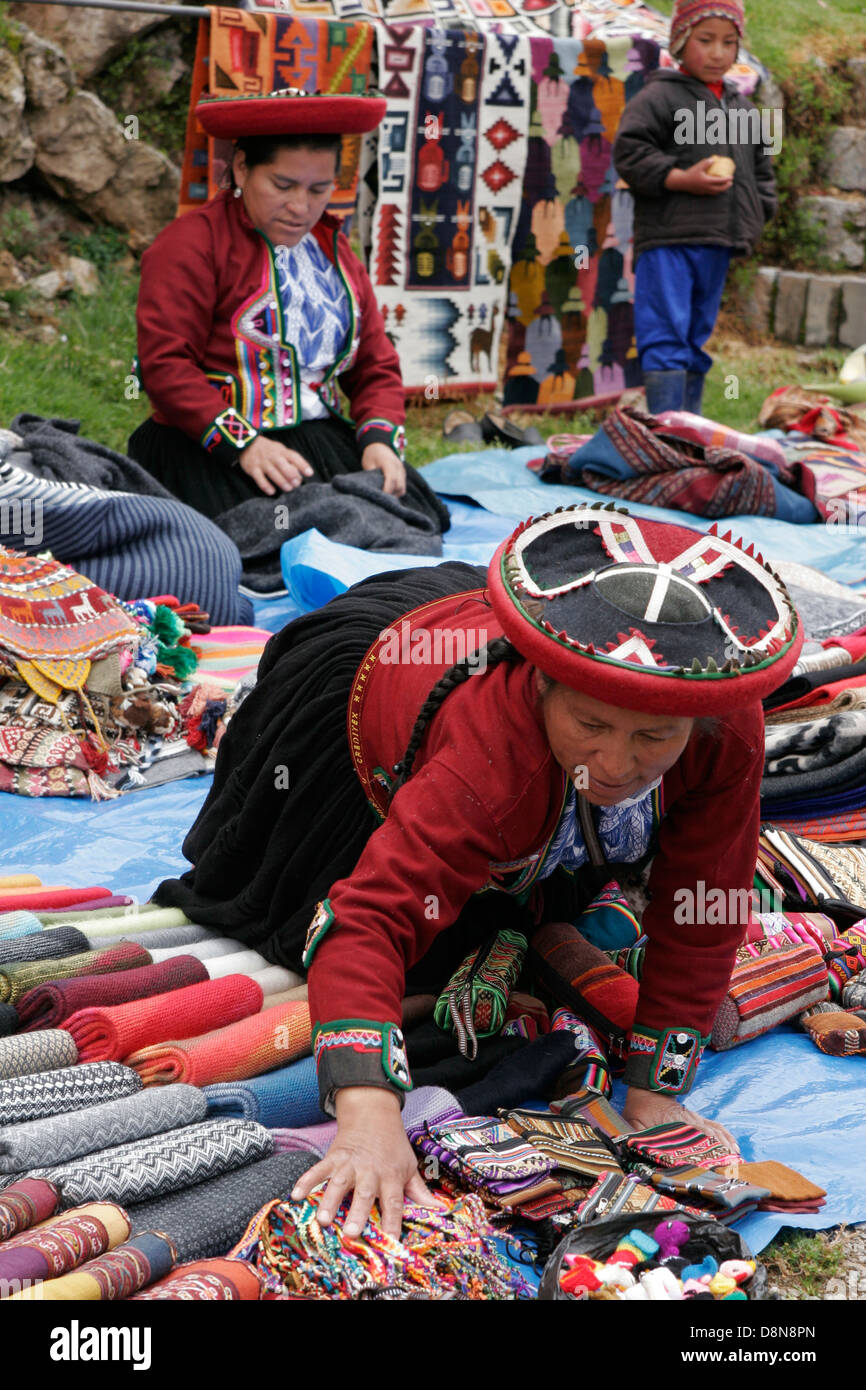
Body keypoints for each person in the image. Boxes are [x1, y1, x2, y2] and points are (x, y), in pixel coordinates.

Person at [154, 502, 802, 1237]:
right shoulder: (488, 760)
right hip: (370, 690)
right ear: (541, 685)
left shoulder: (725, 724)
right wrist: (367, 1109)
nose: (618, 765)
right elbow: (368, 919)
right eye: (590, 726)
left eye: (655, 736)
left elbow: (702, 904)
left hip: (496, 725)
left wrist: (656, 1084)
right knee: (407, 956)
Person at [129, 89, 441, 531]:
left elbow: (374, 361)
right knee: (269, 539)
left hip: (317, 444)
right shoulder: (189, 246)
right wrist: (245, 445)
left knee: (394, 524)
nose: (301, 208)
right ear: (241, 168)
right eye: (283, 185)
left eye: (319, 189)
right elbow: (165, 365)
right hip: (209, 448)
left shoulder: (333, 251)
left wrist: (378, 438)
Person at [613, 0, 777, 417]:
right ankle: (667, 426)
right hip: (670, 238)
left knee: (695, 334)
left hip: (718, 241)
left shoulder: (742, 109)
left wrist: (759, 213)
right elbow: (630, 153)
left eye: (728, 42)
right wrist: (680, 178)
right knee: (666, 331)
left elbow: (761, 168)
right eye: (705, 40)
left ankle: (690, 427)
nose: (718, 52)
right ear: (681, 41)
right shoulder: (659, 96)